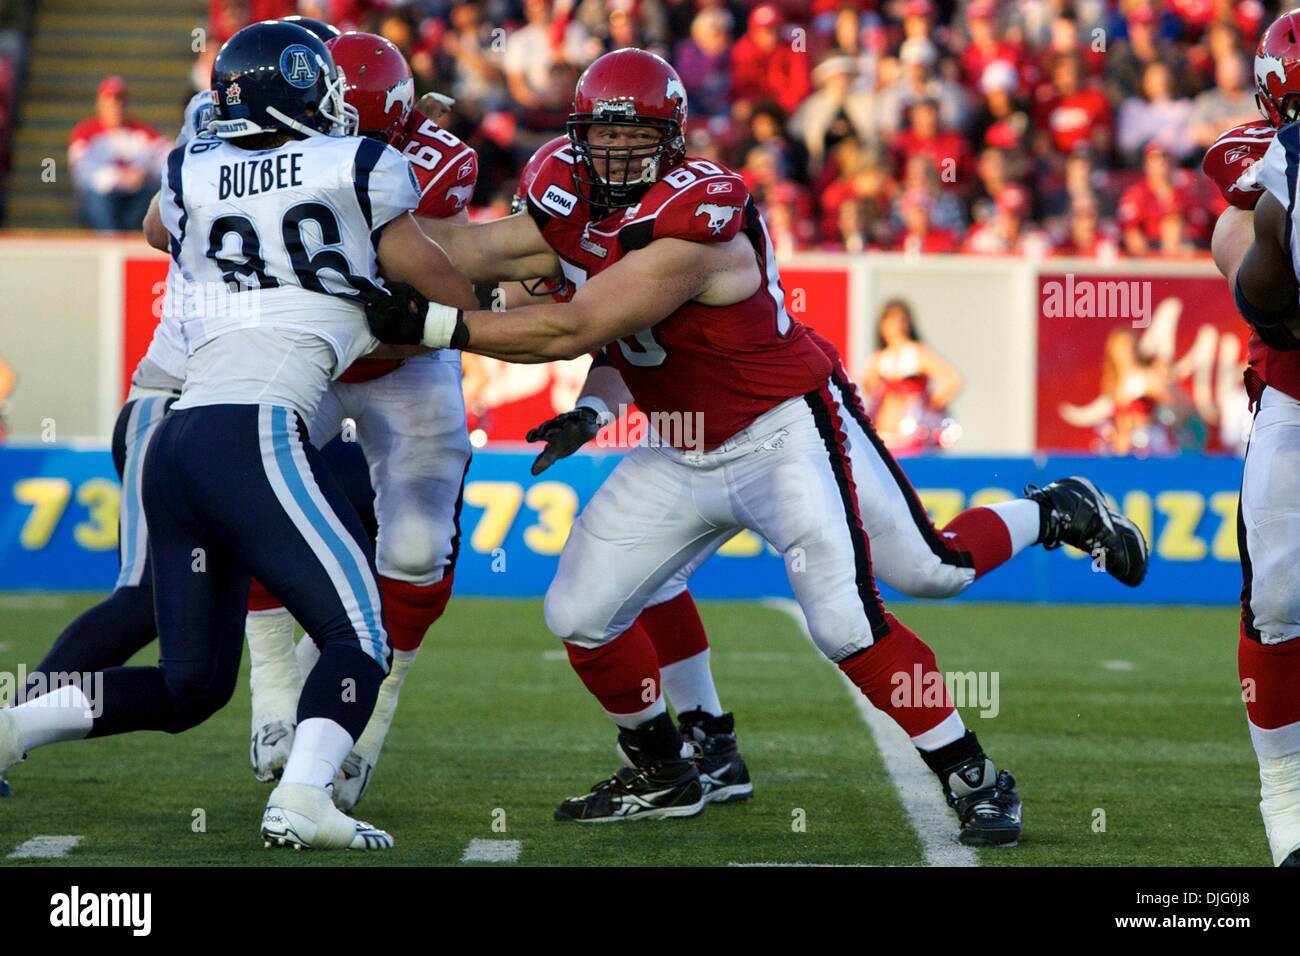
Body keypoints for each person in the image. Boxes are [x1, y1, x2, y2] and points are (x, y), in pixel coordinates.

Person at [369, 49, 1147, 842]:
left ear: (672, 140)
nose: (616, 156)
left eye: (636, 137)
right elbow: (463, 256)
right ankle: (664, 768)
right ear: (575, 137)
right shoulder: (563, 199)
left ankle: (979, 751)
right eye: (602, 138)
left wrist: (432, 325)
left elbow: (575, 325)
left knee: (906, 585)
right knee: (580, 611)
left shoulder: (699, 219)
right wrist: (372, 199)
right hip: (678, 446)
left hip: (782, 432)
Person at [0, 21, 476, 850]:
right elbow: (444, 289)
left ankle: (12, 728)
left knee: (190, 685)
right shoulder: (359, 170)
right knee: (358, 631)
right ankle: (302, 798)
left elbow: (172, 226)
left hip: (178, 434)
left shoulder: (196, 167)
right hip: (243, 429)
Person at [243, 31, 479, 812]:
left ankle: (369, 722)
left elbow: (430, 272)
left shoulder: (439, 160)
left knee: (415, 548)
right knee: (247, 494)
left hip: (404, 364)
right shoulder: (271, 143)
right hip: (312, 355)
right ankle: (275, 700)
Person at [1204, 10, 1300, 868]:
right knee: (1276, 603)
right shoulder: (1260, 167)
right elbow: (1251, 283)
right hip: (1297, 404)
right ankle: (1287, 795)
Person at [68, 76, 168, 231]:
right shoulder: (85, 132)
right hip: (103, 197)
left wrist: (144, 174)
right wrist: (118, 178)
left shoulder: (144, 131)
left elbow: (167, 158)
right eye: (111, 101)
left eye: (121, 101)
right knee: (93, 197)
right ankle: (111, 239)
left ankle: (129, 238)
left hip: (136, 197)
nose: (116, 106)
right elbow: (81, 170)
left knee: (156, 194)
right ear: (100, 104)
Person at [860, 299, 961, 453]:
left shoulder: (918, 353)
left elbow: (952, 381)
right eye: (889, 319)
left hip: (914, 435)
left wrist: (931, 404)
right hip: (883, 433)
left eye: (900, 319)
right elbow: (867, 389)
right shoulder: (878, 358)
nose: (895, 325)